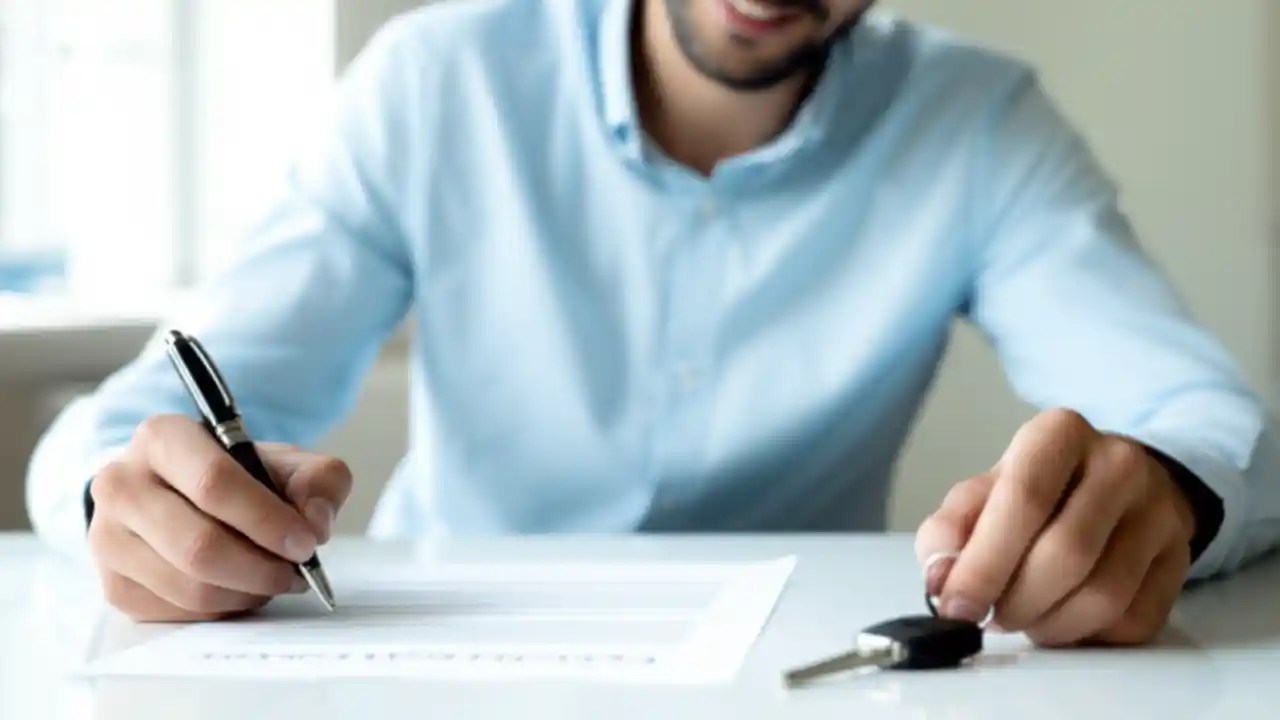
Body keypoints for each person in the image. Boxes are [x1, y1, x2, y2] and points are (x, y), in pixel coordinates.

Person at [26, 0, 1280, 646]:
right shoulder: (436, 83)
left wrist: (1164, 494)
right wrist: (122, 503)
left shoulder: (975, 124)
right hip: (424, 675)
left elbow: (1214, 427)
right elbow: (128, 422)